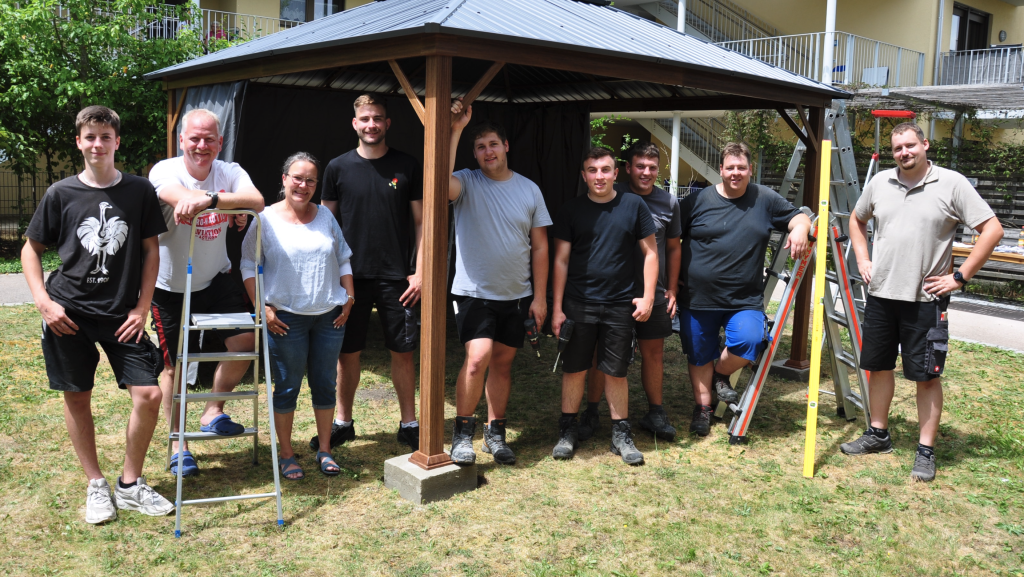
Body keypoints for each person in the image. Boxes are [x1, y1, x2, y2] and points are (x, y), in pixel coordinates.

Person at [22, 105, 173, 523]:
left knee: (149, 394)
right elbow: (31, 250)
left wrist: (142, 307)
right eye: (90, 137)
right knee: (77, 396)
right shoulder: (60, 193)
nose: (97, 144)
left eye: (105, 137)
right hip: (68, 312)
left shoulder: (139, 190)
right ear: (79, 142)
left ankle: (130, 484)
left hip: (122, 314)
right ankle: (96, 484)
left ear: (116, 142)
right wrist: (44, 302)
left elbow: (151, 251)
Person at [841, 122, 1000, 482]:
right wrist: (863, 259)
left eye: (910, 146)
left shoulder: (952, 184)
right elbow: (857, 220)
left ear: (925, 145)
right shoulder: (880, 182)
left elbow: (992, 230)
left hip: (926, 300)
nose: (904, 153)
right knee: (878, 367)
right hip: (881, 295)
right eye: (897, 148)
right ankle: (878, 433)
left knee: (926, 377)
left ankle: (925, 451)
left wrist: (960, 277)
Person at [148, 108, 266, 477]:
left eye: (209, 139)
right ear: (181, 139)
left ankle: (213, 411)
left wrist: (212, 200)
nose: (202, 146)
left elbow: (256, 200)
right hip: (169, 286)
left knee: (245, 342)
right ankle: (178, 444)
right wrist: (227, 202)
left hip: (215, 278)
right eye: (194, 138)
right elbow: (175, 194)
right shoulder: (165, 169)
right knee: (176, 366)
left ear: (219, 142)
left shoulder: (229, 170)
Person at [315, 94, 424, 453]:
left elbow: (422, 223)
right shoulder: (337, 167)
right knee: (347, 352)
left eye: (377, 118)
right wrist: (330, 275)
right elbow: (325, 225)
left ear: (387, 123)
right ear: (355, 124)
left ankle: (409, 424)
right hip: (350, 276)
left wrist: (420, 271)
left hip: (398, 278)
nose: (371, 124)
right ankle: (343, 423)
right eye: (365, 119)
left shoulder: (407, 165)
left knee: (403, 351)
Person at [679, 142, 811, 437]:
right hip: (697, 297)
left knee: (749, 340)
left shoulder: (765, 199)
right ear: (721, 169)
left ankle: (720, 375)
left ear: (751, 169)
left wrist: (801, 228)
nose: (735, 173)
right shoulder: (697, 201)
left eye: (741, 167)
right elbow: (670, 238)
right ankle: (703, 408)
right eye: (730, 167)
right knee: (698, 353)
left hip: (744, 299)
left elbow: (799, 216)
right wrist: (670, 277)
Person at [445, 99, 551, 466]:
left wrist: (540, 297)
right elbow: (439, 183)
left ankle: (495, 434)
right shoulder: (466, 181)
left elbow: (540, 246)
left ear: (506, 146)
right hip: (474, 292)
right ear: (474, 153)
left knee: (503, 364)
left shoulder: (529, 189)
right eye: (480, 147)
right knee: (478, 359)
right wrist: (456, 130)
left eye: (493, 144)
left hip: (517, 294)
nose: (487, 151)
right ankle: (462, 435)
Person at [241, 152, 355, 480]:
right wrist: (261, 306)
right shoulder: (264, 219)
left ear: (317, 185)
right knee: (288, 387)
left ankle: (325, 449)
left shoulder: (325, 216)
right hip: (286, 319)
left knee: (325, 384)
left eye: (310, 180)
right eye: (297, 178)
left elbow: (342, 257)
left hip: (329, 316)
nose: (303, 185)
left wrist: (349, 297)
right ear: (284, 179)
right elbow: (248, 264)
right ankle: (287, 454)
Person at [550, 146, 658, 466]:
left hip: (619, 305)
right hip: (578, 304)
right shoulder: (571, 210)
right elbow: (560, 260)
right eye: (593, 170)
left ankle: (621, 435)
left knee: (616, 371)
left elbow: (651, 253)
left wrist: (648, 296)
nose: (600, 176)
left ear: (615, 173)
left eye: (605, 170)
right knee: (574, 369)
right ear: (584, 175)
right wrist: (557, 307)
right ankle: (567, 432)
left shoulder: (634, 205)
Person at [583, 142, 682, 442]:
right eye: (640, 166)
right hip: (614, 293)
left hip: (654, 292)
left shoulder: (669, 203)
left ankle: (656, 412)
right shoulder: (612, 194)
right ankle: (591, 412)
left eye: (652, 167)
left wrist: (672, 288)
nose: (646, 172)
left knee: (654, 353)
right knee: (600, 353)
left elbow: (673, 248)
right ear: (627, 169)